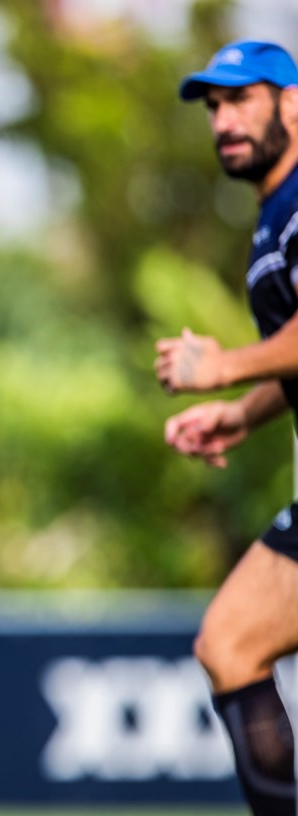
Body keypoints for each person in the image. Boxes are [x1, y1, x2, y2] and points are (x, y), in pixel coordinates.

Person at [156, 40, 298, 816]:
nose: (224, 119)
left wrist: (223, 367)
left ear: (293, 104)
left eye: (244, 98)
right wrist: (241, 413)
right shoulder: (274, 216)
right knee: (231, 643)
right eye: (214, 106)